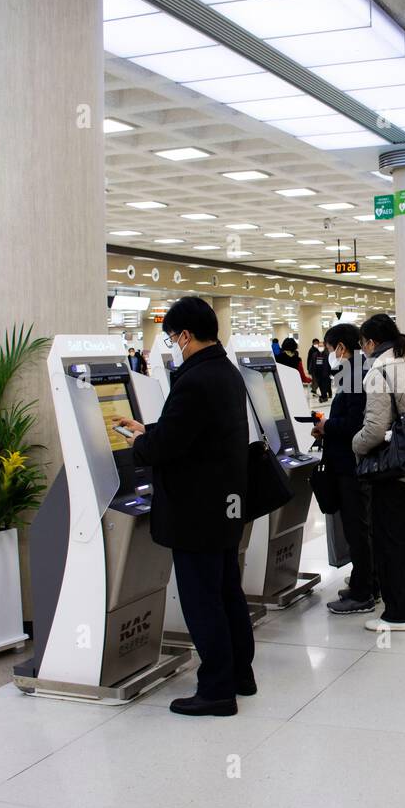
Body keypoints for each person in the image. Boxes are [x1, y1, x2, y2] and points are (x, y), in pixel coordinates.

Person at [113, 297, 253, 716]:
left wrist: (141, 442)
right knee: (227, 591)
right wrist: (152, 428)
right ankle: (239, 675)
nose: (171, 345)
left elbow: (170, 447)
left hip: (196, 511)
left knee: (201, 599)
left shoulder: (193, 380)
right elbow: (197, 431)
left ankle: (216, 692)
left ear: (186, 335)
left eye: (172, 337)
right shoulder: (224, 371)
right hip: (225, 504)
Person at [352, 313, 405, 632]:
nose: (363, 351)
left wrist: (355, 445)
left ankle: (397, 614)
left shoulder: (381, 371)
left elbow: (375, 430)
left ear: (372, 343)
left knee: (391, 541)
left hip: (395, 471)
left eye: (363, 345)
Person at [315, 323, 377, 614]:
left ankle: (362, 593)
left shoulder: (353, 372)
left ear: (340, 347)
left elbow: (354, 423)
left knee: (356, 528)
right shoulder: (359, 369)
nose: (331, 355)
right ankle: (367, 583)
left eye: (330, 349)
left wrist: (327, 426)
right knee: (360, 528)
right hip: (355, 462)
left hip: (350, 465)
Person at [306, 337, 331, 402]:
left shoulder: (327, 354)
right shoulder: (315, 354)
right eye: (319, 346)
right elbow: (312, 363)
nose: (320, 347)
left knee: (324, 384)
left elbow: (329, 364)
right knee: (319, 384)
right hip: (317, 372)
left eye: (322, 346)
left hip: (325, 372)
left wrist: (330, 372)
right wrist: (310, 370)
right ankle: (324, 395)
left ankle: (324, 396)